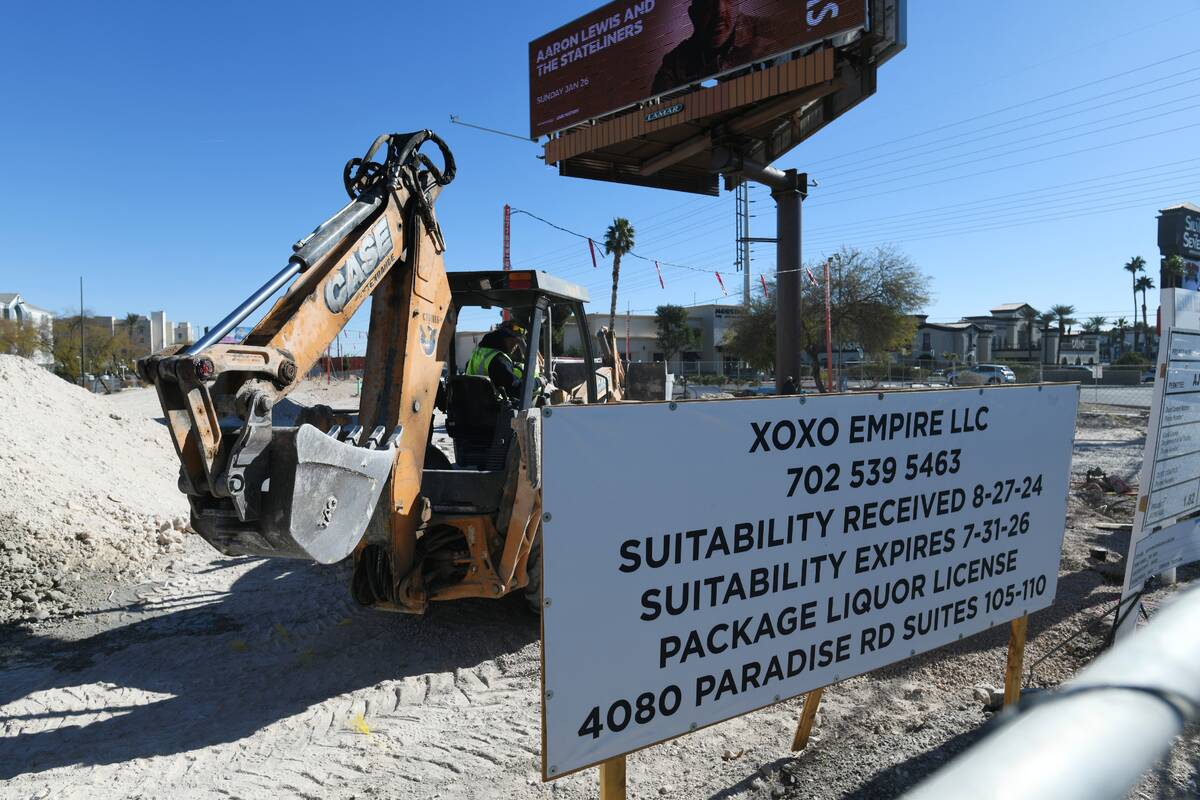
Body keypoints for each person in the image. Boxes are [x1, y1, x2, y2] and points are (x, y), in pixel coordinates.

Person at [651, 0, 773, 95]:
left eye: (727, 0)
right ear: (693, 15)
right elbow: (655, 112)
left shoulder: (769, 31)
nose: (719, 10)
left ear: (738, 4)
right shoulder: (674, 63)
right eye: (708, 2)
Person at [465, 320, 528, 404]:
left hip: (471, 404)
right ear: (504, 337)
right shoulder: (499, 360)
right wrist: (537, 383)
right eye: (513, 342)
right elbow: (517, 391)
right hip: (490, 410)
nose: (515, 346)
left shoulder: (480, 351)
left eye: (517, 343)